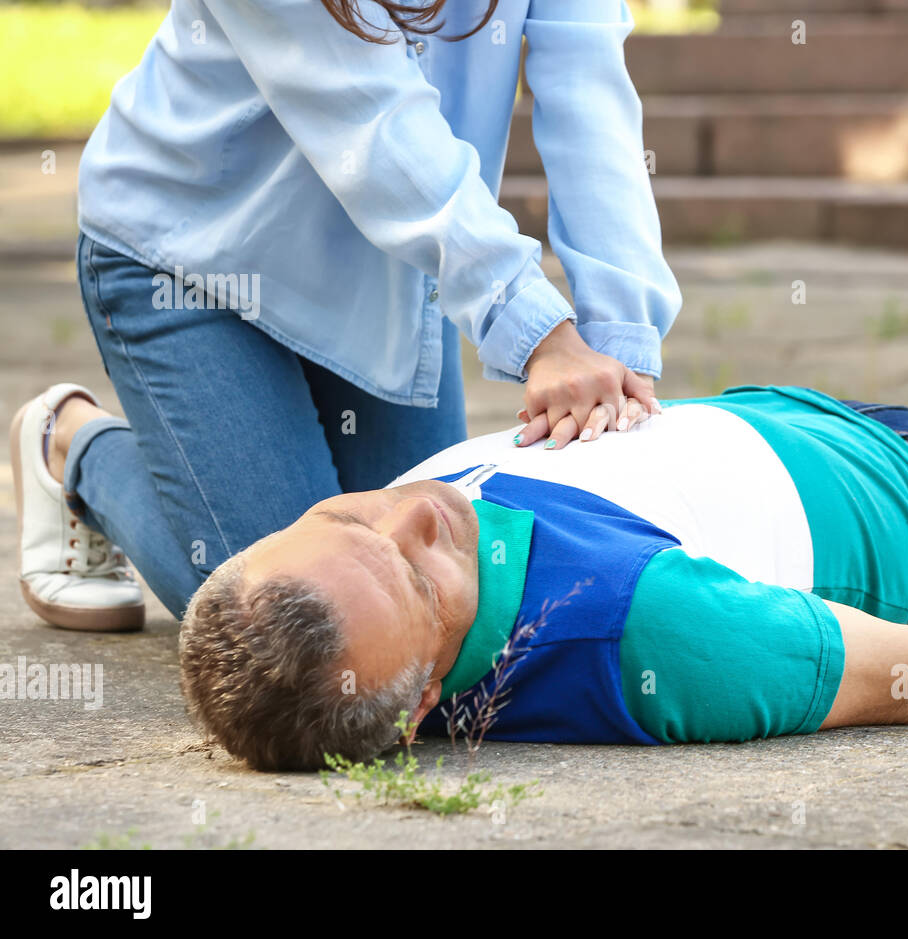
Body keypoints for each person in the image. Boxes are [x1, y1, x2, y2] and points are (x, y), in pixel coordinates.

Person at [22, 292, 908, 769]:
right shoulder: (661, 637)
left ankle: (68, 447)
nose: (415, 505)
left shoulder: (362, 607)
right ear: (417, 714)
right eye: (415, 563)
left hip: (816, 436)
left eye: (341, 512)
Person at [22, 0, 678, 631]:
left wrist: (618, 347)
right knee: (294, 610)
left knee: (447, 597)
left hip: (381, 282)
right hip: (192, 256)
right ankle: (71, 444)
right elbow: (373, 122)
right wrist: (540, 334)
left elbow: (588, 93)